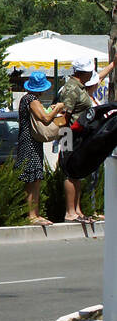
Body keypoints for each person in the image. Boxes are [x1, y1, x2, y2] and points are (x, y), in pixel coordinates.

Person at [56, 56, 114, 223]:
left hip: (79, 134)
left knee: (78, 171)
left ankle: (77, 210)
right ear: (84, 72)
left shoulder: (79, 87)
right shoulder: (71, 89)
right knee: (70, 171)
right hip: (69, 134)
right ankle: (70, 212)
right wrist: (65, 137)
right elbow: (64, 114)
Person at [14, 70, 62, 226]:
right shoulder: (31, 99)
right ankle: (31, 214)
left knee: (35, 178)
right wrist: (57, 108)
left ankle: (34, 213)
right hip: (30, 143)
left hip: (30, 142)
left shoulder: (26, 99)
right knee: (32, 178)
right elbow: (45, 119)